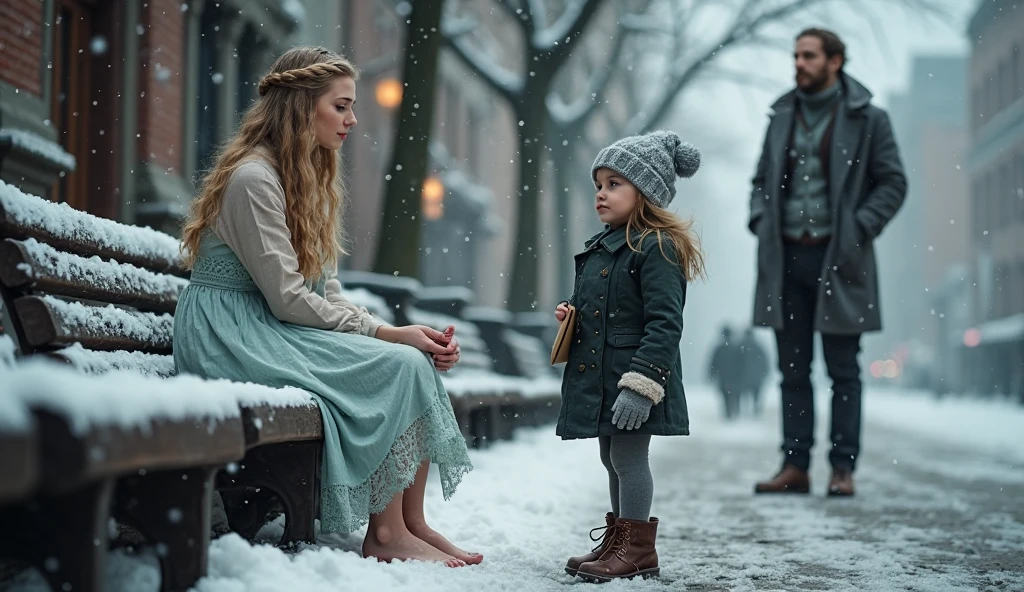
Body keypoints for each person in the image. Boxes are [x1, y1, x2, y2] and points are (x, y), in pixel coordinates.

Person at [173, 47, 479, 567]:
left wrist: (392, 331)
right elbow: (290, 297)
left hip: (267, 323)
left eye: (352, 106)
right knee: (395, 364)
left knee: (412, 359)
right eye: (340, 106)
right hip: (232, 334)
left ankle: (409, 522)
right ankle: (383, 534)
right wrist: (387, 336)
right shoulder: (254, 179)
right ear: (300, 107)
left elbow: (323, 288)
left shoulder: (307, 177)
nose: (352, 119)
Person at [747, 29, 907, 497]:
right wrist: (760, 218)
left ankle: (842, 468)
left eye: (809, 55)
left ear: (835, 61)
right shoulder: (781, 117)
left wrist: (859, 226)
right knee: (792, 371)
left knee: (843, 370)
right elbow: (760, 180)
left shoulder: (869, 119)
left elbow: (893, 183)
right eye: (795, 55)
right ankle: (794, 465)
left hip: (842, 259)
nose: (798, 62)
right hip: (786, 259)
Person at [554, 131, 704, 582]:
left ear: (646, 192)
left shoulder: (656, 246)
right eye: (598, 184)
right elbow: (609, 305)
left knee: (629, 459)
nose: (601, 193)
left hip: (633, 379)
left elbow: (664, 323)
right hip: (606, 378)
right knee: (611, 457)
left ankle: (637, 549)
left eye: (614, 184)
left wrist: (642, 386)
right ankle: (621, 541)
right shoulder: (609, 245)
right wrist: (572, 312)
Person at [708, 325, 744, 420]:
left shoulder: (719, 349)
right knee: (735, 394)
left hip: (724, 377)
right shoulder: (737, 348)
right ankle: (735, 411)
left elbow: (713, 363)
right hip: (734, 377)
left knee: (726, 395)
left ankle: (728, 413)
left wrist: (711, 374)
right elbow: (742, 364)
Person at [739, 327, 769, 416]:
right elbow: (764, 362)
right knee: (755, 395)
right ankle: (755, 409)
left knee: (744, 394)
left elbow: (736, 363)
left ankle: (746, 410)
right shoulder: (758, 347)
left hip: (744, 376)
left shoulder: (740, 346)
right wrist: (764, 373)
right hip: (756, 377)